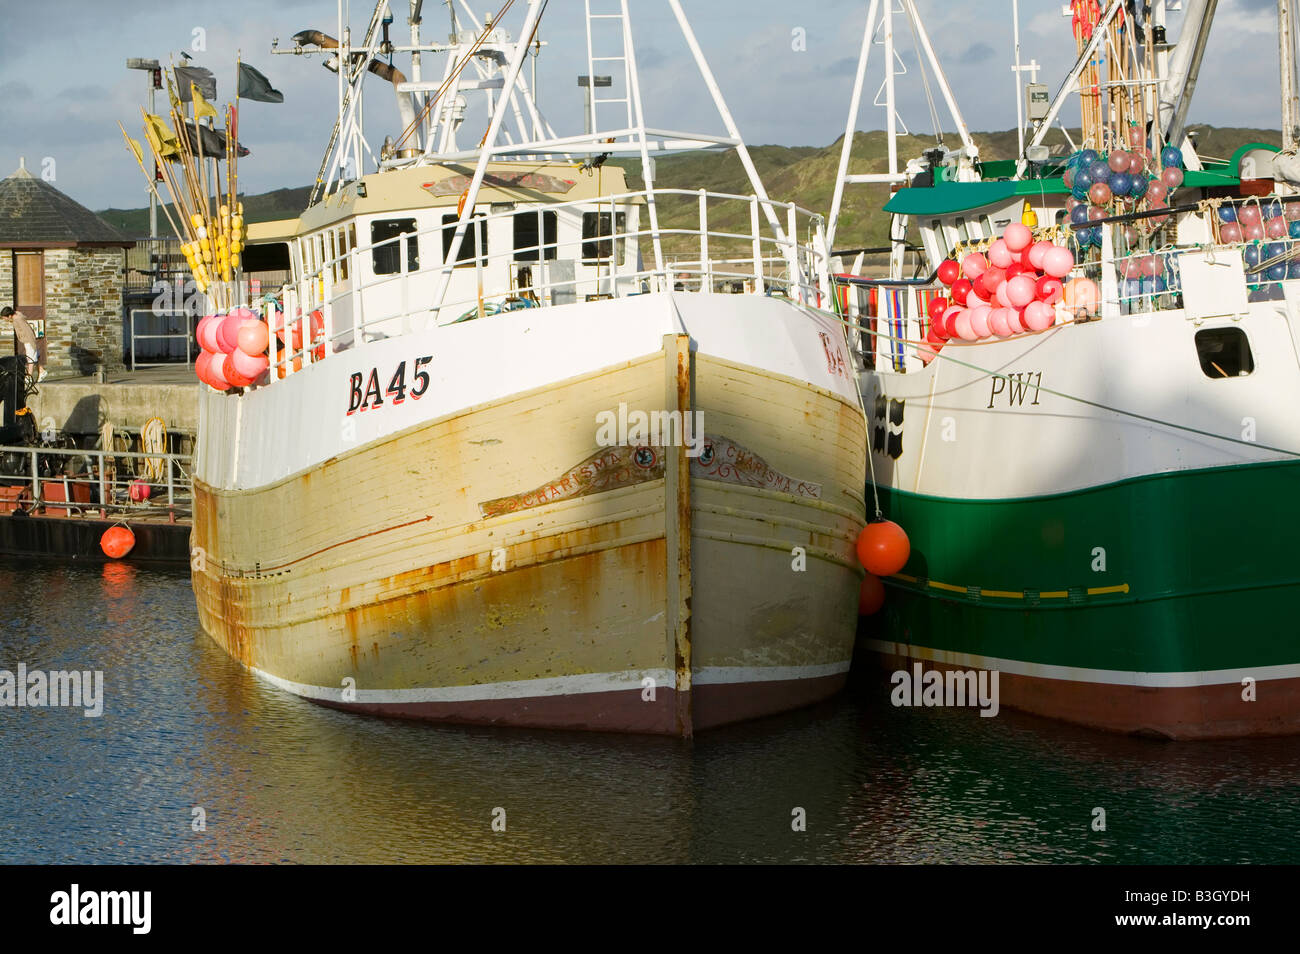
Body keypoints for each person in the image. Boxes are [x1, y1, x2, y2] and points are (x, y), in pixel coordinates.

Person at [0, 306, 45, 381]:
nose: (4, 319)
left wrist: (32, 343)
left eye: (4, 317)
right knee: (34, 356)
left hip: (29, 340)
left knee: (30, 358)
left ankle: (29, 377)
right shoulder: (15, 318)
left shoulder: (18, 319)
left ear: (9, 315)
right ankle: (41, 371)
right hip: (27, 340)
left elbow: (28, 331)